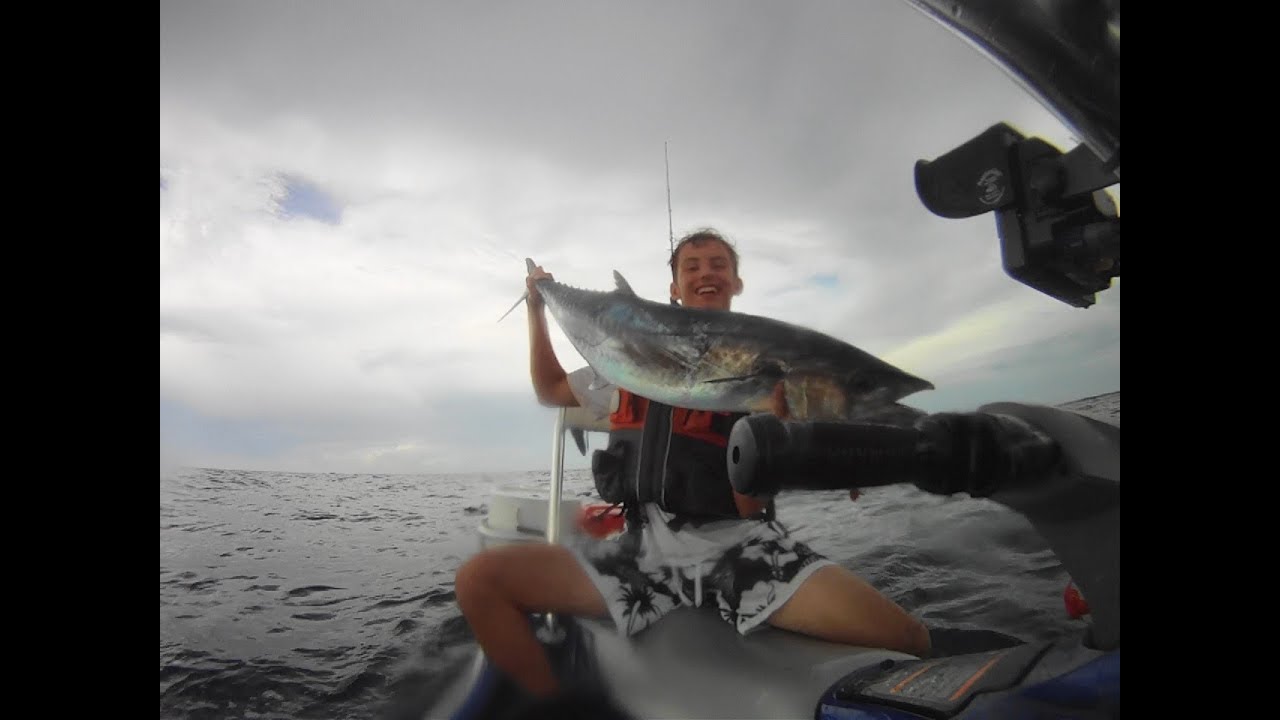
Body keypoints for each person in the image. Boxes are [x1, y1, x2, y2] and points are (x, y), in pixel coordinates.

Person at [454, 228, 931, 700]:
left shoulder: (770, 373)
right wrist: (537, 306)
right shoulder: (625, 362)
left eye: (718, 265)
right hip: (640, 550)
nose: (706, 274)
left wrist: (782, 442)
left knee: (909, 637)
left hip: (738, 548)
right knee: (480, 582)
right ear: (673, 288)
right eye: (692, 266)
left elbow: (748, 509)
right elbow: (549, 390)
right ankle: (553, 710)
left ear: (736, 282)